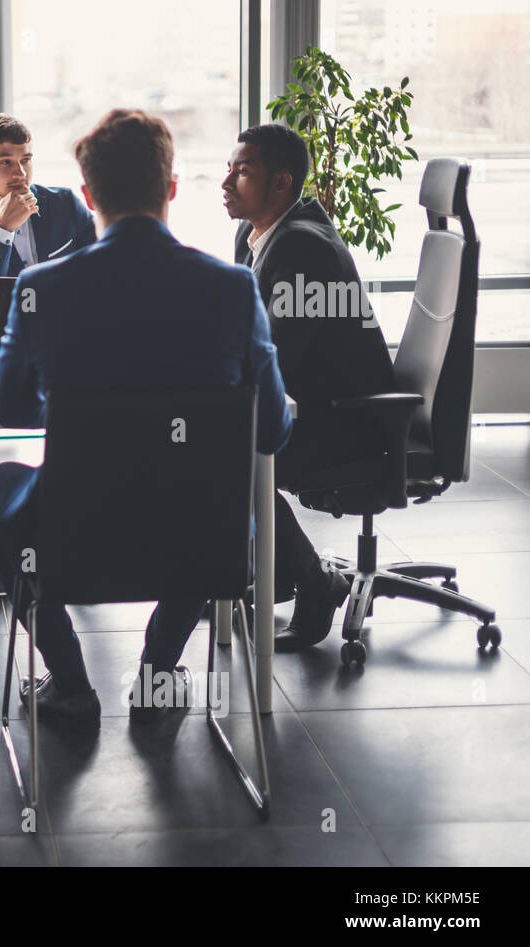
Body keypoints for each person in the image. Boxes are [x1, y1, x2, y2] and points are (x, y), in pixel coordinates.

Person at [0, 109, 292, 731]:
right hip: (202, 540)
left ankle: (69, 680)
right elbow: (273, 430)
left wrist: (85, 413)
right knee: (218, 501)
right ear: (171, 187)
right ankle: (157, 670)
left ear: (87, 194)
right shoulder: (232, 288)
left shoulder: (41, 288)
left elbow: (11, 408)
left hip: (75, 536)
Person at [224, 123, 396, 648]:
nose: (227, 180)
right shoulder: (257, 232)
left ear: (281, 183)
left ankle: (313, 582)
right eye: (230, 167)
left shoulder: (302, 247)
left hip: (346, 420)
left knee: (226, 452)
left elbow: (274, 353)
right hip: (310, 402)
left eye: (242, 170)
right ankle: (280, 573)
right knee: (220, 436)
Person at [0, 113, 99, 599]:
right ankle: (4, 551)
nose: (20, 173)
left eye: (26, 160)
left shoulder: (65, 206)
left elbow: (96, 274)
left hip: (66, 350)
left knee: (87, 415)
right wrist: (1, 233)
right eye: (5, 162)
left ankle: (64, 540)